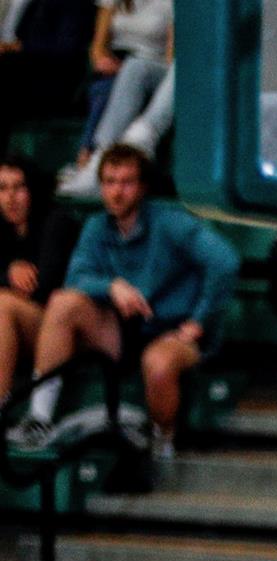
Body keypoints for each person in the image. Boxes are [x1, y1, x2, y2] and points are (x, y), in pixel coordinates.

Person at [16, 144, 238, 455]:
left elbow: (224, 261)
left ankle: (162, 444)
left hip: (173, 330)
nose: (117, 192)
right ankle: (39, 419)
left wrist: (199, 320)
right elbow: (76, 278)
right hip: (124, 329)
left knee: (158, 364)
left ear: (143, 186)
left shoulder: (169, 221)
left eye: (126, 182)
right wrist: (112, 286)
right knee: (64, 303)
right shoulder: (97, 226)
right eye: (109, 182)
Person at [54, 0, 172, 196]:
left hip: (159, 69)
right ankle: (100, 159)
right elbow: (97, 47)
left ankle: (102, 152)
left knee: (134, 70)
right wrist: (106, 61)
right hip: (121, 64)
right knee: (130, 70)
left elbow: (172, 58)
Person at [0, 155, 77, 414]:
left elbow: (43, 287)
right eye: (2, 188)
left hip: (55, 329)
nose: (10, 197)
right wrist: (8, 272)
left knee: (2, 304)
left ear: (33, 188)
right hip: (16, 325)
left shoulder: (56, 222)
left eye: (19, 187)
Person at [0, 0, 95, 155]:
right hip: (19, 73)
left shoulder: (72, 4)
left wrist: (19, 48)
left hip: (55, 81)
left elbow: (66, 49)